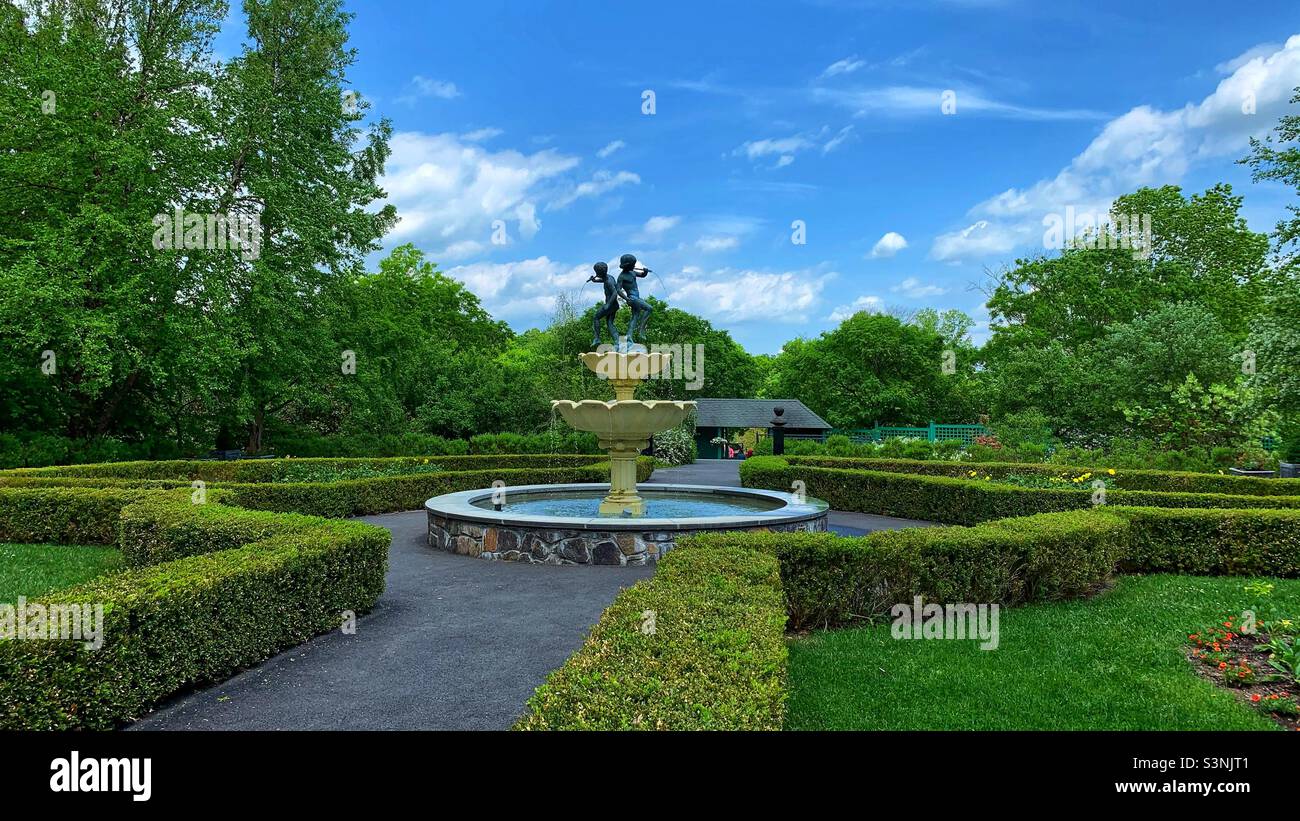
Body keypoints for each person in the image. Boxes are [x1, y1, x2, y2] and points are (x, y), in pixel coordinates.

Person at [587, 261, 619, 347]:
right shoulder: (609, 277)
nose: (596, 273)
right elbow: (603, 280)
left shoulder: (608, 281)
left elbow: (615, 293)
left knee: (596, 317)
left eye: (596, 272)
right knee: (610, 323)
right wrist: (595, 280)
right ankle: (617, 342)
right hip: (615, 305)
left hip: (610, 305)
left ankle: (597, 338)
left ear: (599, 272)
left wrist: (608, 304)